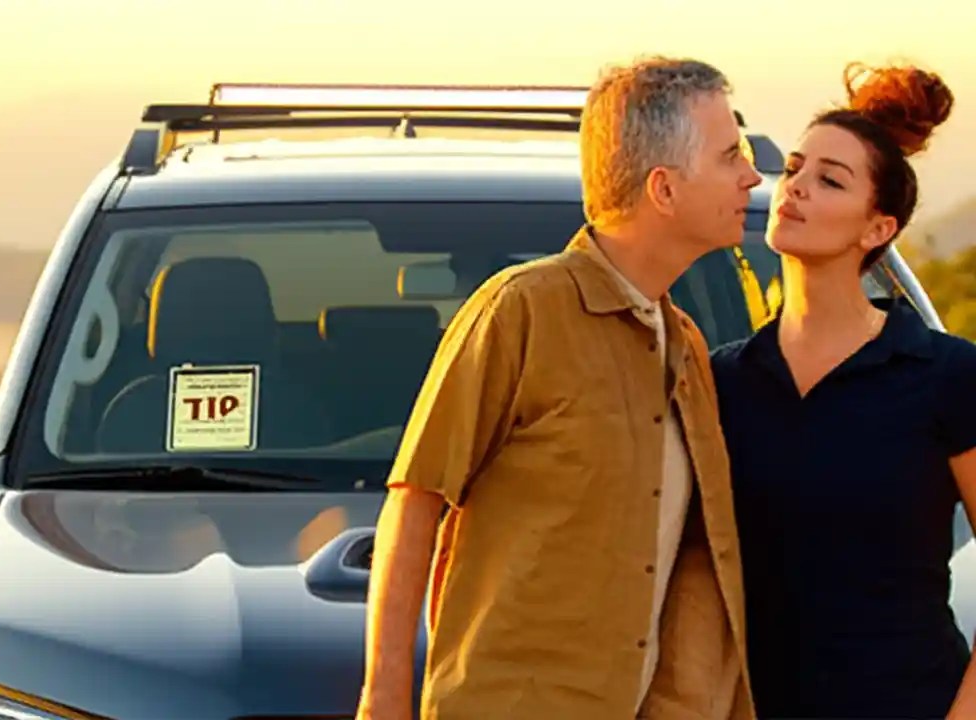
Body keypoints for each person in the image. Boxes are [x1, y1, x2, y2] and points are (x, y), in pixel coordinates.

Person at [355, 56, 763, 720]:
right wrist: (383, 702)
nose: (750, 176)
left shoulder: (686, 344)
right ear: (664, 189)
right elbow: (415, 501)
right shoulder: (521, 311)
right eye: (729, 156)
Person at [709, 62, 976, 718]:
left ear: (877, 229)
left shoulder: (944, 374)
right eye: (795, 168)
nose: (794, 188)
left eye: (829, 180)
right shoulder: (722, 380)